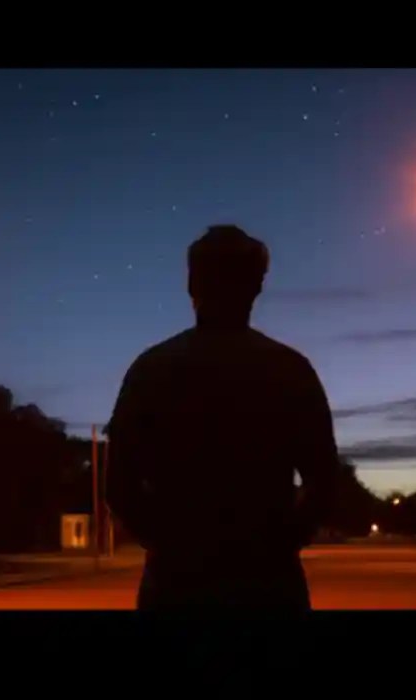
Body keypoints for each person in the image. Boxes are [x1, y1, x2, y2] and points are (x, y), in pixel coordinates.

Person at [106, 224, 339, 610]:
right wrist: (280, 543)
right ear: (257, 286)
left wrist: (167, 543)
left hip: (175, 584)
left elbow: (119, 484)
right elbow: (324, 480)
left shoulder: (151, 369)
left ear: (191, 284)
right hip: (269, 584)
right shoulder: (290, 369)